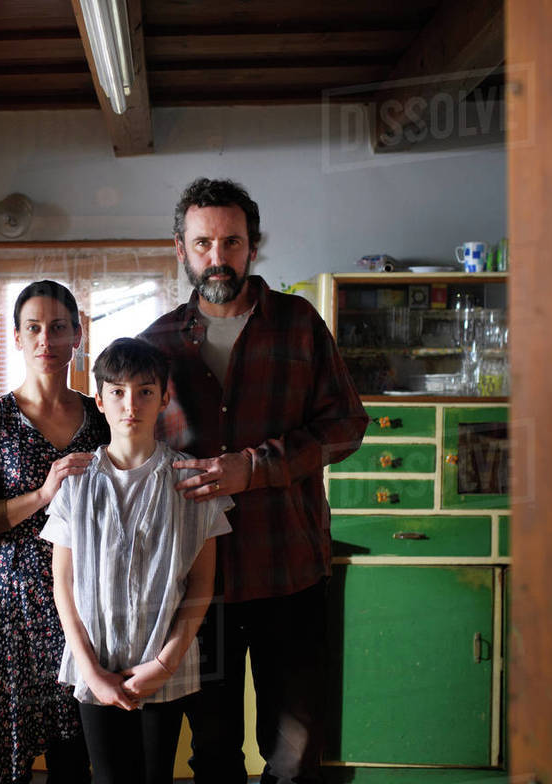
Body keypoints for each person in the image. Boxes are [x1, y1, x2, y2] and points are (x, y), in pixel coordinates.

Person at [139, 177, 369, 784]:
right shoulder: (156, 344)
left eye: (232, 242)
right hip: (197, 583)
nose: (217, 257)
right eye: (203, 243)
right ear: (182, 249)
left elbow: (347, 425)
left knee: (294, 754)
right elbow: (117, 435)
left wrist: (257, 467)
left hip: (288, 570)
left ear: (253, 247)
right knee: (213, 752)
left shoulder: (299, 325)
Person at [0, 280, 107, 784]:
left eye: (58, 327)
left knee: (75, 761)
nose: (45, 340)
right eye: (33, 328)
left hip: (80, 611)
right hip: (4, 615)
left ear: (77, 335)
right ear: (16, 337)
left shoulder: (102, 420)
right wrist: (40, 495)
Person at [41, 338, 232, 784]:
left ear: (164, 398)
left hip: (163, 667)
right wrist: (91, 672)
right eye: (118, 392)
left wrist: (163, 664)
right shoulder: (75, 482)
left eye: (145, 391)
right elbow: (63, 585)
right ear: (100, 400)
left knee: (154, 776)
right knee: (108, 777)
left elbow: (201, 585)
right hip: (95, 666)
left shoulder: (193, 481)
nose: (131, 405)